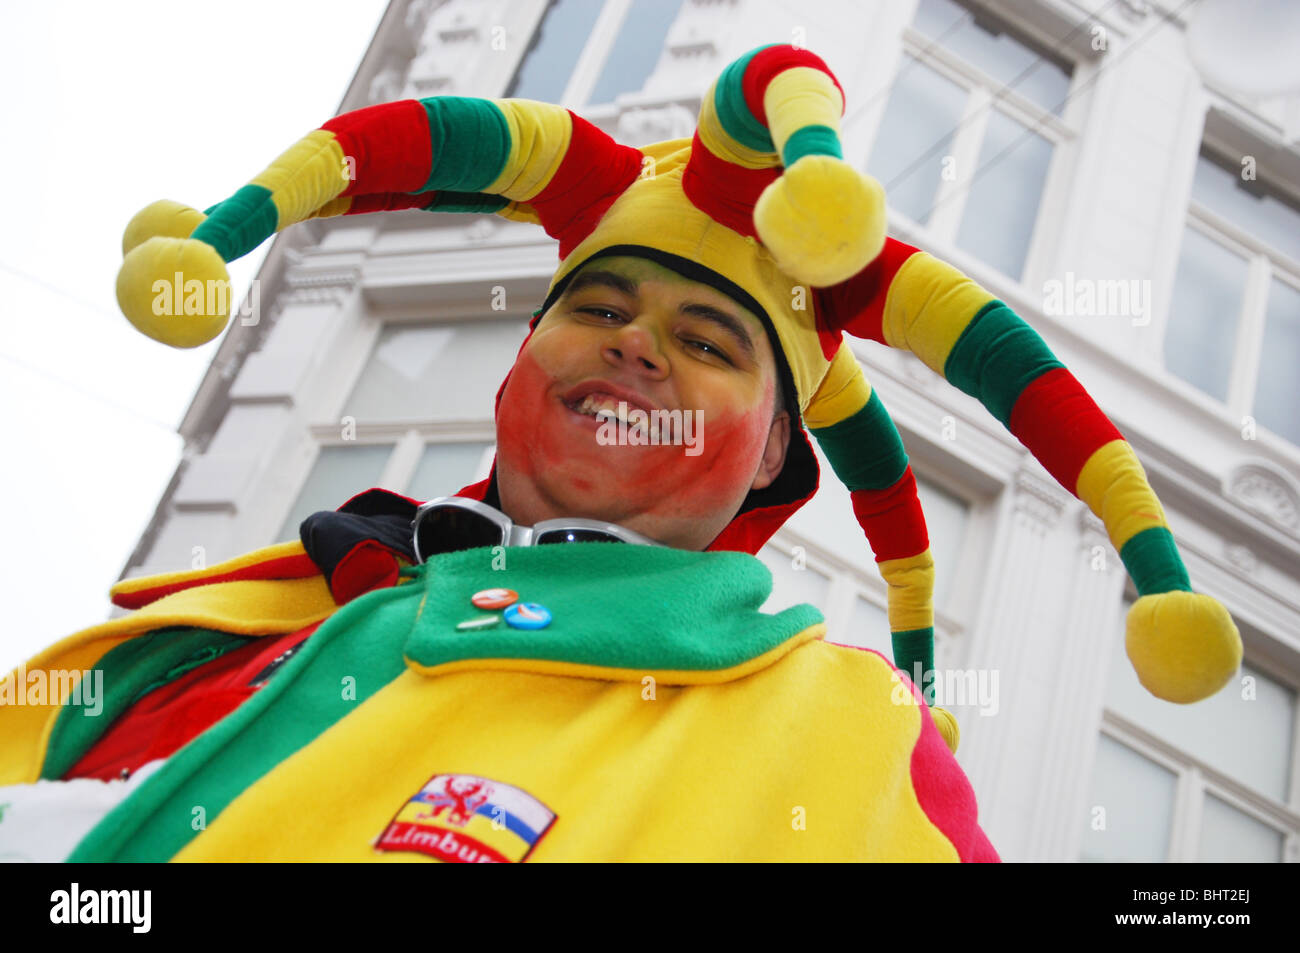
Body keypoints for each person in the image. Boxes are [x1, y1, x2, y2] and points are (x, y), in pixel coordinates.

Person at [0, 43, 1240, 863]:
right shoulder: (225, 614)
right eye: (597, 311)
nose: (636, 346)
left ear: (771, 457)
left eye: (705, 337)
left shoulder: (854, 740)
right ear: (520, 357)